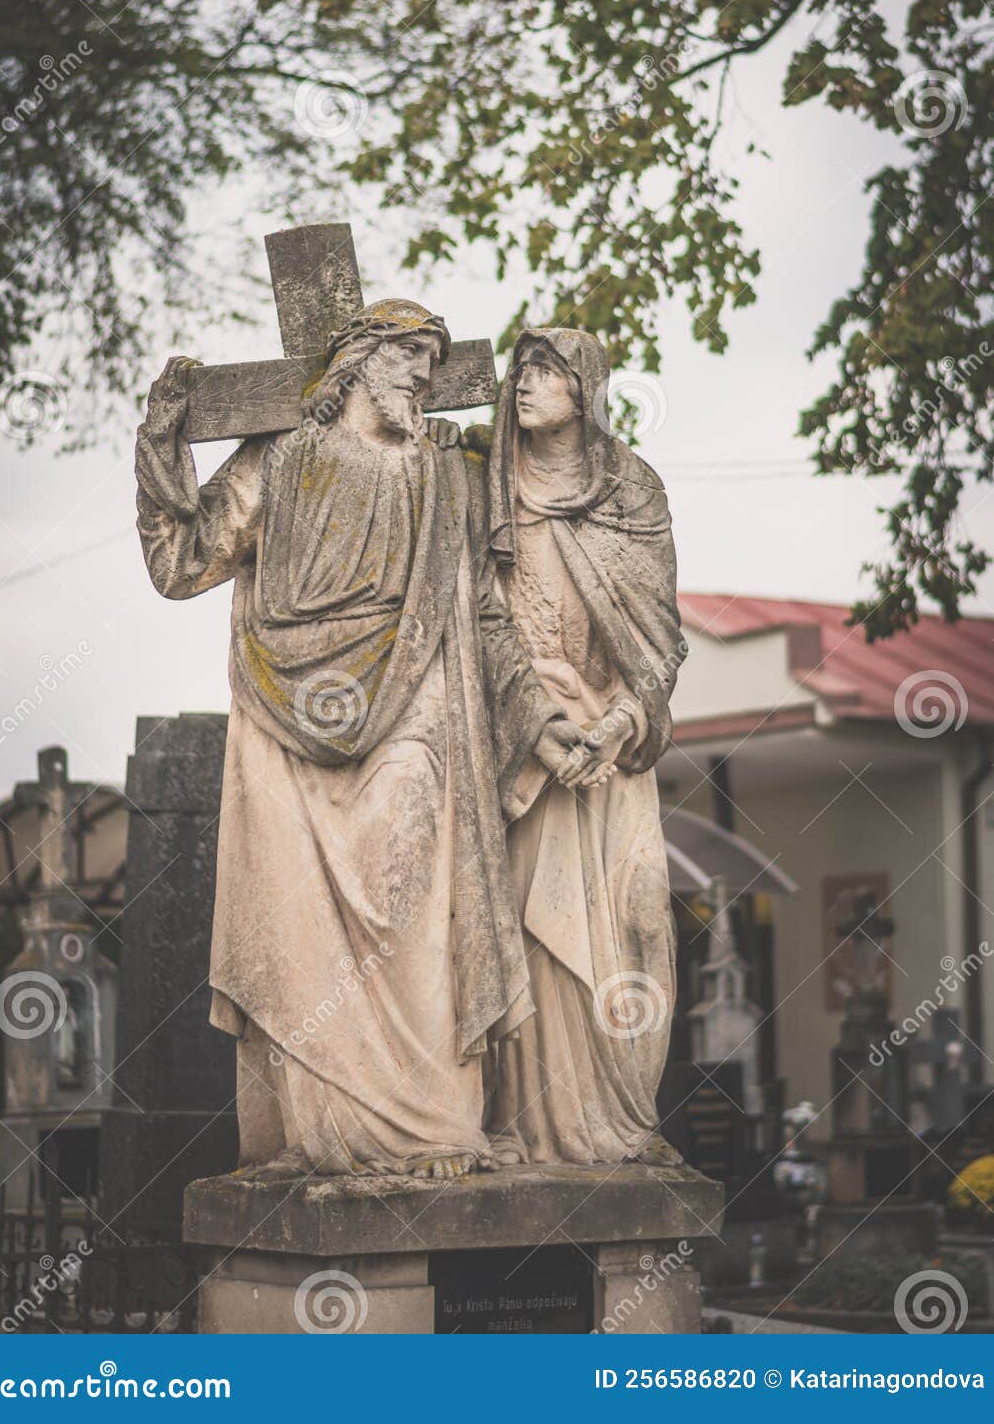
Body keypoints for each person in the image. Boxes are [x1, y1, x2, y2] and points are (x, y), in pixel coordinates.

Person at [135, 300, 581, 1179]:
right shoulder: (280, 459)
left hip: (413, 701)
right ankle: (325, 1132)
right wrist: (162, 442)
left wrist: (534, 712)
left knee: (415, 890)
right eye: (406, 354)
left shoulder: (442, 475)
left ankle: (428, 1121)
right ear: (354, 362)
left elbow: (485, 615)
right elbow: (182, 564)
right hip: (285, 717)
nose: (421, 373)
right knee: (297, 926)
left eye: (431, 358)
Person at [482, 327, 685, 1165]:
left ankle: (622, 1117)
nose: (524, 383)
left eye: (544, 370)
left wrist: (618, 723)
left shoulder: (631, 490)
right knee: (535, 935)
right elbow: (478, 617)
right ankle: (544, 1129)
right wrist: (536, 719)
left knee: (638, 917)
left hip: (611, 751)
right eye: (519, 368)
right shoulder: (488, 482)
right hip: (529, 753)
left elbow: (659, 641)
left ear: (584, 386)